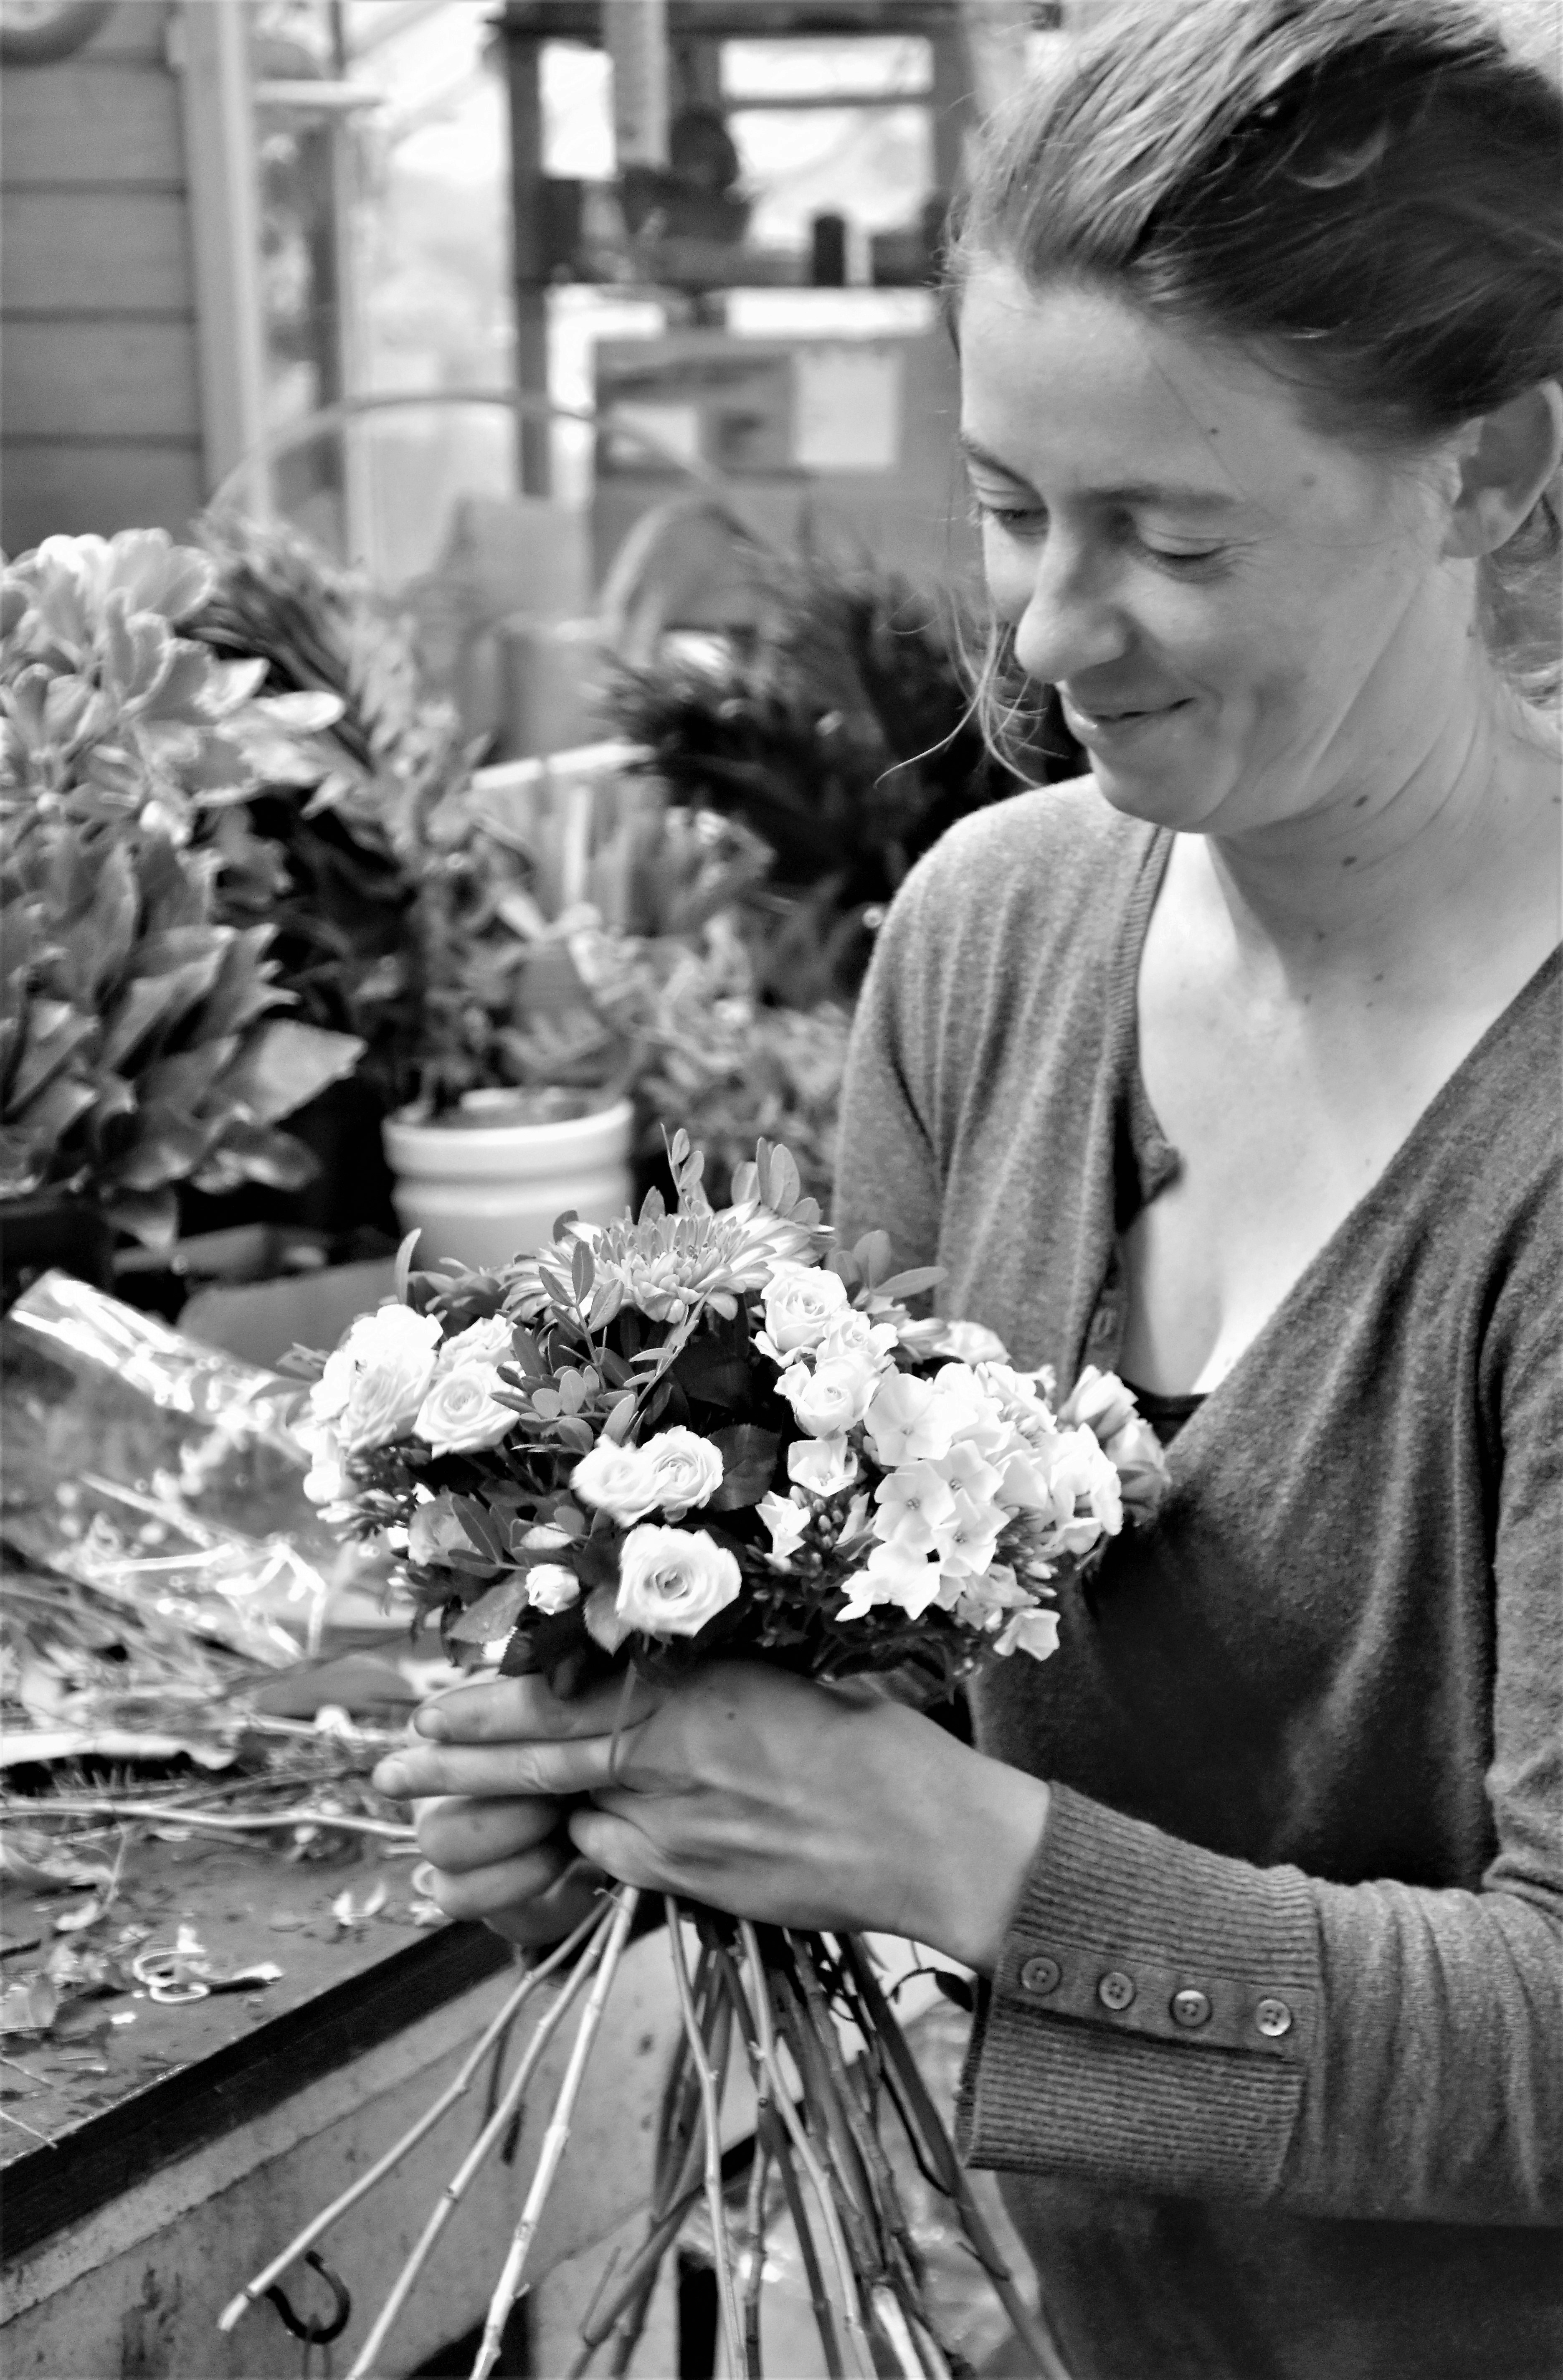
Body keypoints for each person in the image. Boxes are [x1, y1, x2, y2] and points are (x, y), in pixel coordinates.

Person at [372, 3, 1563, 2372]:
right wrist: (632, 1796)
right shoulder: (993, 938)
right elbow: (898, 1680)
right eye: (1012, 505)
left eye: (1174, 538)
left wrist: (960, 1854)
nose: (1041, 632)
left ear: (1493, 477)